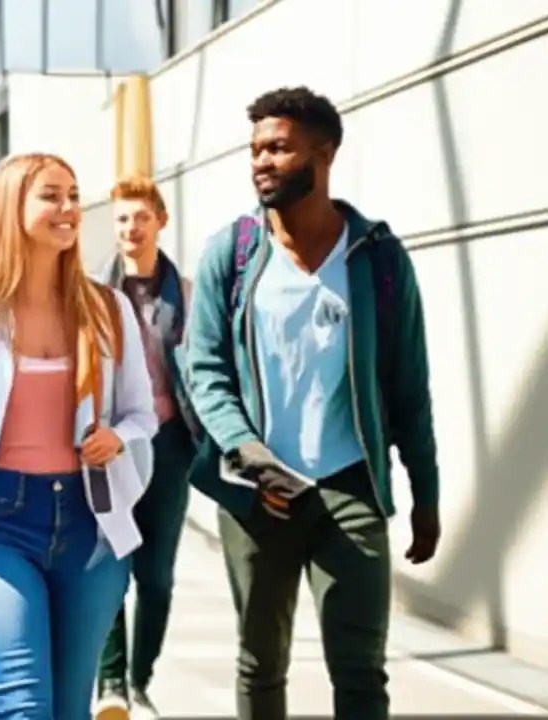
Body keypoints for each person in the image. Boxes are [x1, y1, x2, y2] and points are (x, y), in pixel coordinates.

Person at [182, 86, 441, 720]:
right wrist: (249, 457)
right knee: (260, 662)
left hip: (349, 488)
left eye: (278, 147)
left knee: (360, 671)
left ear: (323, 154)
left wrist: (425, 492)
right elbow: (204, 369)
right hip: (258, 492)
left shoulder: (378, 257)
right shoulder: (233, 253)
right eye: (255, 149)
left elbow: (409, 384)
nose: (261, 161)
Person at [0, 152, 158, 719]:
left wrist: (117, 437)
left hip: (90, 524)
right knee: (24, 705)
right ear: (11, 207)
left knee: (71, 709)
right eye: (51, 196)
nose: (70, 208)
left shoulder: (108, 309)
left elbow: (142, 415)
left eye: (73, 194)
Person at [93, 176, 198, 720]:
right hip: (113, 445)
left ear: (160, 220)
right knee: (111, 562)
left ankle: (140, 680)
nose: (130, 228)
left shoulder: (188, 291)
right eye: (121, 220)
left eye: (140, 218)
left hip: (171, 445)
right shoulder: (93, 295)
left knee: (154, 576)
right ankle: (109, 681)